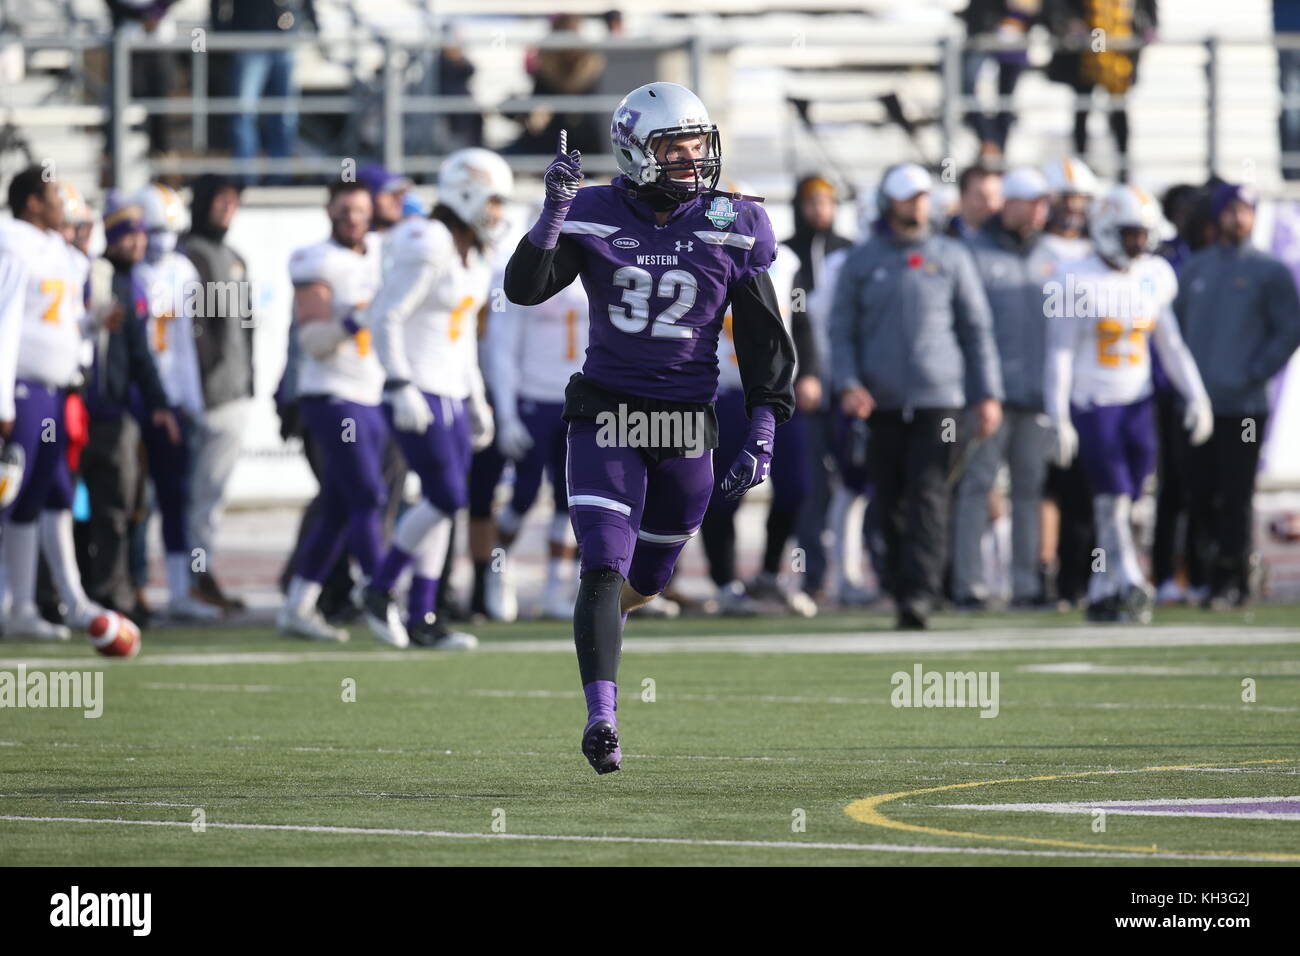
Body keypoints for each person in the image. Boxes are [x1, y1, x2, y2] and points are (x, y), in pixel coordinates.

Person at [503, 83, 796, 774]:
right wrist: (553, 213)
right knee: (603, 561)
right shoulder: (595, 209)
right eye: (674, 148)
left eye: (698, 145)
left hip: (688, 426)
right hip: (606, 412)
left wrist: (763, 426)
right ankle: (601, 718)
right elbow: (524, 287)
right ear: (637, 151)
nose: (691, 160)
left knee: (649, 577)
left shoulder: (737, 219)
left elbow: (763, 339)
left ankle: (603, 619)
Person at [830, 163, 1004, 630]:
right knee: (890, 499)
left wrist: (986, 394)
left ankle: (920, 594)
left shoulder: (951, 255)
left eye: (922, 196)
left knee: (928, 495)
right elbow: (841, 332)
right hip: (880, 402)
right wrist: (848, 383)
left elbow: (976, 331)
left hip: (938, 400)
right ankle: (901, 585)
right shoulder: (863, 260)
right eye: (908, 197)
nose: (917, 205)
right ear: (889, 202)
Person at [358, 149, 510, 650]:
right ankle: (380, 590)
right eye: (492, 201)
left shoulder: (472, 252)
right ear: (465, 193)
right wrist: (399, 383)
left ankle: (424, 614)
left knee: (444, 505)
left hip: (450, 389)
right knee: (448, 496)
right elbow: (385, 316)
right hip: (417, 386)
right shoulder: (430, 241)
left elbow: (463, 331)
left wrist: (477, 397)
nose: (496, 213)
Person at [1045, 184, 1213, 623]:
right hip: (1093, 402)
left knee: (1132, 500)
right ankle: (1130, 578)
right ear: (1104, 230)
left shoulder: (1152, 275)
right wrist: (1059, 415)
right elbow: (1058, 352)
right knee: (1113, 497)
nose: (1138, 243)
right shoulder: (1074, 277)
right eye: (1129, 233)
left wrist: (1197, 395)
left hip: (1137, 402)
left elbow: (1171, 344)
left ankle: (1103, 589)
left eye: (1143, 233)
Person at [1176, 182, 1300, 608]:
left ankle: (1234, 578)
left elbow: (1290, 329)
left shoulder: (1270, 271)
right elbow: (1171, 334)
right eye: (1231, 210)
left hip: (1245, 408)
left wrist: (1255, 372)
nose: (1239, 218)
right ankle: (1203, 576)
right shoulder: (1195, 269)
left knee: (1236, 493)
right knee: (1199, 492)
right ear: (1217, 215)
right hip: (1199, 406)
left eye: (1246, 210)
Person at [278, 181, 385, 642]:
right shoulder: (314, 258)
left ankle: (298, 605)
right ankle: (382, 598)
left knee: (340, 508)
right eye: (344, 209)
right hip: (330, 395)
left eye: (360, 209)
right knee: (368, 497)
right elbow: (315, 342)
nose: (353, 217)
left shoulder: (384, 252)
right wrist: (355, 318)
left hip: (374, 393)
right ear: (328, 210)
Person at [0, 167, 94, 639]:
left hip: (54, 391)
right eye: (56, 192)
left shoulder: (57, 249)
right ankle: (13, 602)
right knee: (10, 493)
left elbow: (65, 321)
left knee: (39, 496)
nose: (64, 201)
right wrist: (2, 400)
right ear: (32, 203)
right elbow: (5, 317)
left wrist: (97, 328)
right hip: (21, 385)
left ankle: (33, 602)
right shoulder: (11, 239)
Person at [953, 167, 1054, 609]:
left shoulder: (1051, 255)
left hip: (1036, 395)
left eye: (1040, 202)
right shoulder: (974, 253)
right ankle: (969, 584)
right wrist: (978, 389)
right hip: (989, 394)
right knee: (978, 486)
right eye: (1028, 201)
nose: (1037, 210)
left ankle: (1027, 584)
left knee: (1030, 489)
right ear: (1007, 203)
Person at [485, 220, 588, 620]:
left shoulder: (596, 262)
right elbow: (502, 349)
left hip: (578, 401)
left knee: (571, 501)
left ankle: (554, 588)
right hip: (534, 400)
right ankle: (498, 576)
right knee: (523, 496)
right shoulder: (516, 271)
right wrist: (506, 414)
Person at [82, 194, 178, 624]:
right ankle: (78, 591)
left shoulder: (131, 283)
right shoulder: (93, 275)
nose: (138, 243)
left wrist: (157, 403)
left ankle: (114, 590)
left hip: (115, 412)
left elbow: (140, 354)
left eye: (141, 234)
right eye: (130, 235)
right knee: (68, 505)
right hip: (81, 409)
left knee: (120, 509)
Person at [131, 183, 217, 622]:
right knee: (132, 500)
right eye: (152, 230)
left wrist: (192, 400)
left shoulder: (182, 269)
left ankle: (181, 590)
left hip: (172, 399)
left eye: (168, 231)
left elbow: (185, 342)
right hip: (135, 398)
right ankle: (134, 588)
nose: (161, 240)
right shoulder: (126, 270)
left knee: (175, 496)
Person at [181, 174, 253, 613]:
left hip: (232, 394)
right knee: (193, 496)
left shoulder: (233, 257)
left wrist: (250, 381)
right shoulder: (189, 255)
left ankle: (200, 577)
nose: (227, 209)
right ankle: (191, 580)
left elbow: (244, 329)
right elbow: (195, 331)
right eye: (220, 200)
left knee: (210, 497)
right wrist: (201, 384)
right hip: (202, 397)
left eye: (233, 201)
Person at [783, 174, 852, 604]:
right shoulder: (786, 254)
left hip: (848, 385)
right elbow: (796, 322)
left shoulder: (850, 253)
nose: (819, 209)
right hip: (805, 388)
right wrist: (803, 371)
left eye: (826, 201)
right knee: (811, 486)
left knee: (858, 484)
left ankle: (860, 572)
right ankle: (812, 576)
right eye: (811, 201)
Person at [1038, 155, 1099, 607]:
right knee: (1037, 491)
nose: (1075, 207)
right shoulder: (1034, 250)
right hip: (1034, 383)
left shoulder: (1099, 254)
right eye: (1067, 198)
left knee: (1081, 491)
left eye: (1081, 198)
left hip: (1084, 386)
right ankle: (1037, 574)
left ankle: (1077, 578)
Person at [1045, 0, 1157, 181]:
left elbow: (1148, 8)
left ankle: (1122, 167)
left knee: (1118, 112)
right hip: (1091, 49)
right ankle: (1081, 164)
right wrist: (1073, 25)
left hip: (1119, 48)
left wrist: (1149, 26)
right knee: (1083, 110)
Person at [214, 0, 318, 184]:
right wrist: (221, 30)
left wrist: (313, 22)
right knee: (243, 112)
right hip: (250, 36)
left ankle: (279, 176)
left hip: (285, 39)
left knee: (284, 114)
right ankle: (246, 178)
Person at [946, 165, 1003, 240]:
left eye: (996, 197)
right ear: (962, 197)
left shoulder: (1012, 242)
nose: (991, 205)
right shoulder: (939, 241)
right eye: (981, 197)